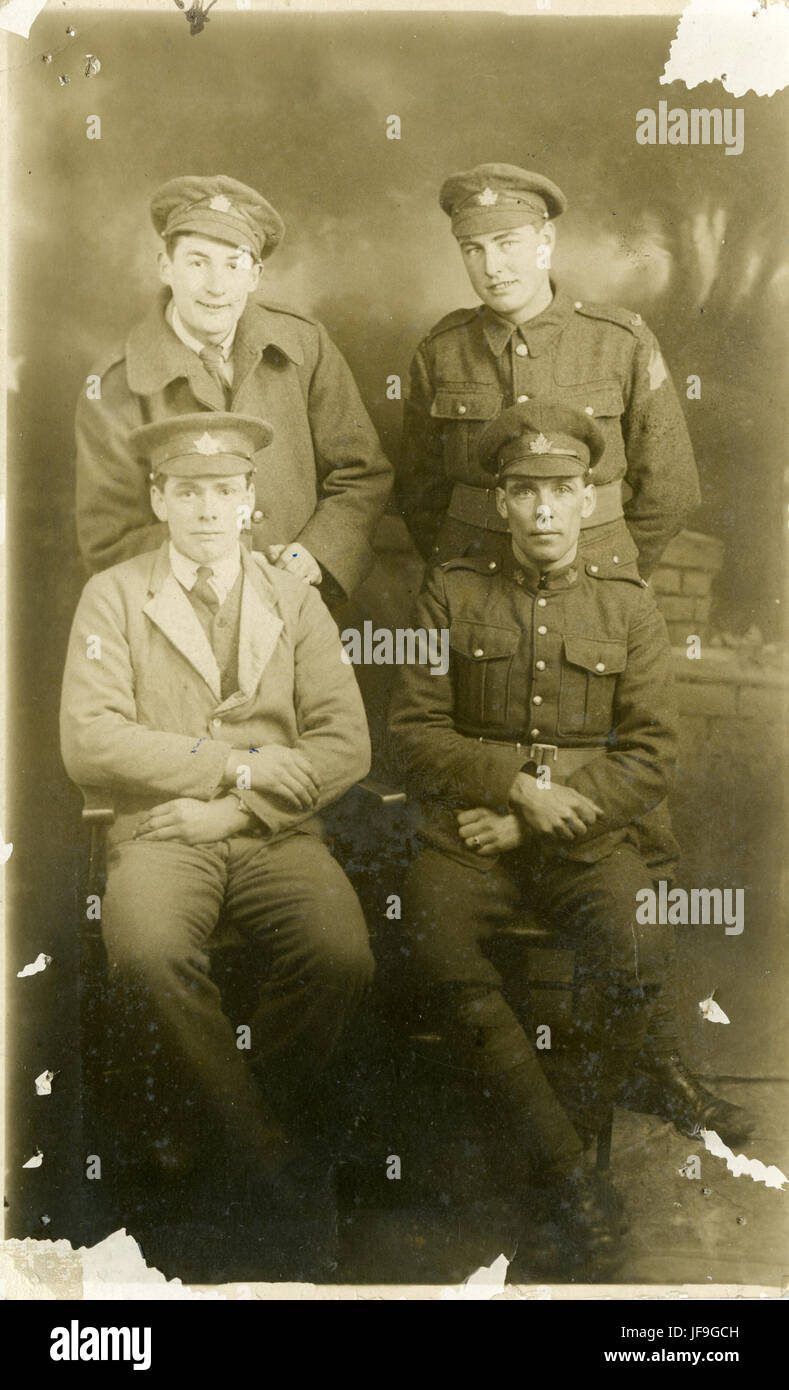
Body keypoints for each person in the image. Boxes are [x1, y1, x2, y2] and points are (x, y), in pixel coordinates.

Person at [389, 401, 746, 1272]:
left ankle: (577, 1152)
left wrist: (534, 813)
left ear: (588, 500)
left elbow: (654, 754)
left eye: (562, 490)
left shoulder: (629, 609)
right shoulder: (451, 591)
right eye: (524, 492)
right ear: (500, 502)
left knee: (633, 943)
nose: (543, 510)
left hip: (585, 837)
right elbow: (414, 729)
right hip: (469, 836)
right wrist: (511, 788)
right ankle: (569, 1171)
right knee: (431, 943)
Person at [61, 412, 375, 1187]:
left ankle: (226, 1136)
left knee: (341, 957)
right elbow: (90, 741)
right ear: (159, 498)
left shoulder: (295, 602)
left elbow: (347, 747)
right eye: (188, 491)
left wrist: (237, 810)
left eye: (223, 491)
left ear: (248, 501)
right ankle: (265, 1158)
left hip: (277, 834)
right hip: (160, 831)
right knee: (146, 956)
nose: (207, 510)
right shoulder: (113, 596)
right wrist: (237, 765)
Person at [75, 173, 393, 601]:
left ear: (256, 274)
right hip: (178, 619)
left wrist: (315, 554)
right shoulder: (114, 386)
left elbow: (362, 473)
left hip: (299, 604)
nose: (217, 286)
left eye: (234, 263)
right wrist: (223, 569)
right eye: (197, 262)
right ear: (165, 266)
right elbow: (108, 541)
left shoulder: (304, 345)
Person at [396, 162, 700, 579]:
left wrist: (617, 576)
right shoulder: (441, 350)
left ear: (546, 240)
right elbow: (419, 490)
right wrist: (455, 573)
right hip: (473, 587)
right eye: (474, 249)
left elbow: (671, 490)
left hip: (596, 580)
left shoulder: (620, 341)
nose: (492, 267)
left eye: (507, 243)